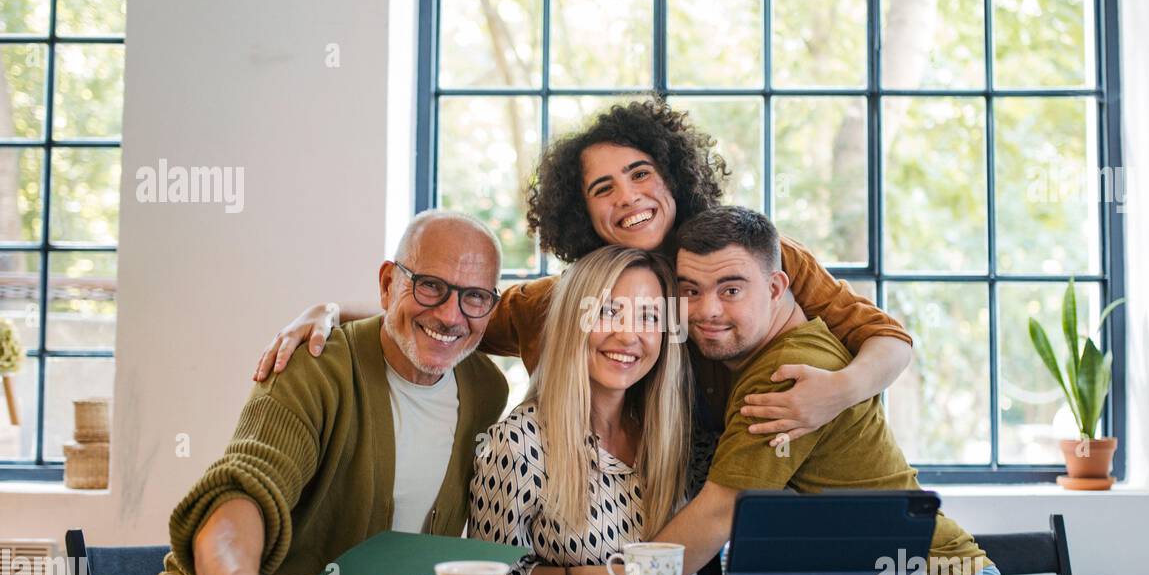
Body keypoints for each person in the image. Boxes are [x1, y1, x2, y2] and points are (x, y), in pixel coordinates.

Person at [252, 100, 914, 446]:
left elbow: (888, 339)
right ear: (583, 214)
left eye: (640, 174)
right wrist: (332, 311)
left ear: (674, 178)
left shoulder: (758, 260)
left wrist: (842, 389)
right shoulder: (556, 302)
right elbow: (450, 311)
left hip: (729, 504)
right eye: (602, 189)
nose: (627, 197)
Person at [114, 212, 509, 575]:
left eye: (473, 297)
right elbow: (242, 488)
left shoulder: (485, 389)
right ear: (389, 282)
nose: (451, 313)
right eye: (431, 286)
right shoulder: (316, 364)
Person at [656, 206, 1003, 575]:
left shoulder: (786, 374)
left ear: (775, 288)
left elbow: (719, 513)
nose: (707, 310)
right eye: (690, 290)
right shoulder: (776, 351)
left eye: (732, 290)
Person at [469, 246, 700, 575]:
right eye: (608, 311)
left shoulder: (679, 438)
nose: (627, 335)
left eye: (649, 317)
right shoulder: (518, 443)